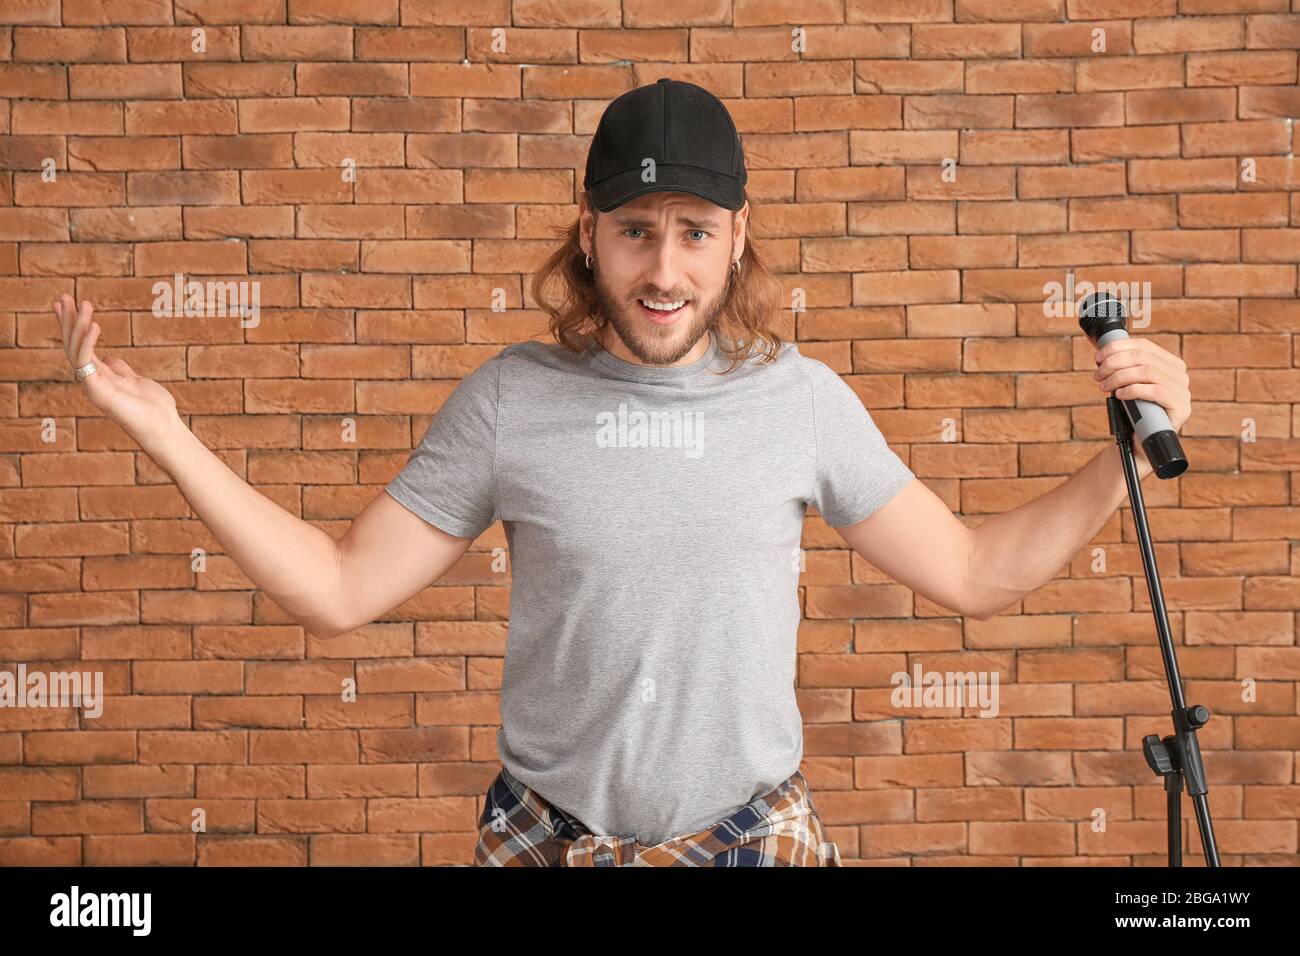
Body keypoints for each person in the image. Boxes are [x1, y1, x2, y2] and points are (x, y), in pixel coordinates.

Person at [51, 79, 1192, 868]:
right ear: (586, 232)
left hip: (750, 836)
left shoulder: (798, 399)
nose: (663, 267)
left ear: (737, 238)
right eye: (635, 229)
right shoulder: (509, 401)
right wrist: (168, 433)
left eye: (693, 230)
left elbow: (976, 570)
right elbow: (339, 588)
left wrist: (1118, 456)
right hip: (550, 837)